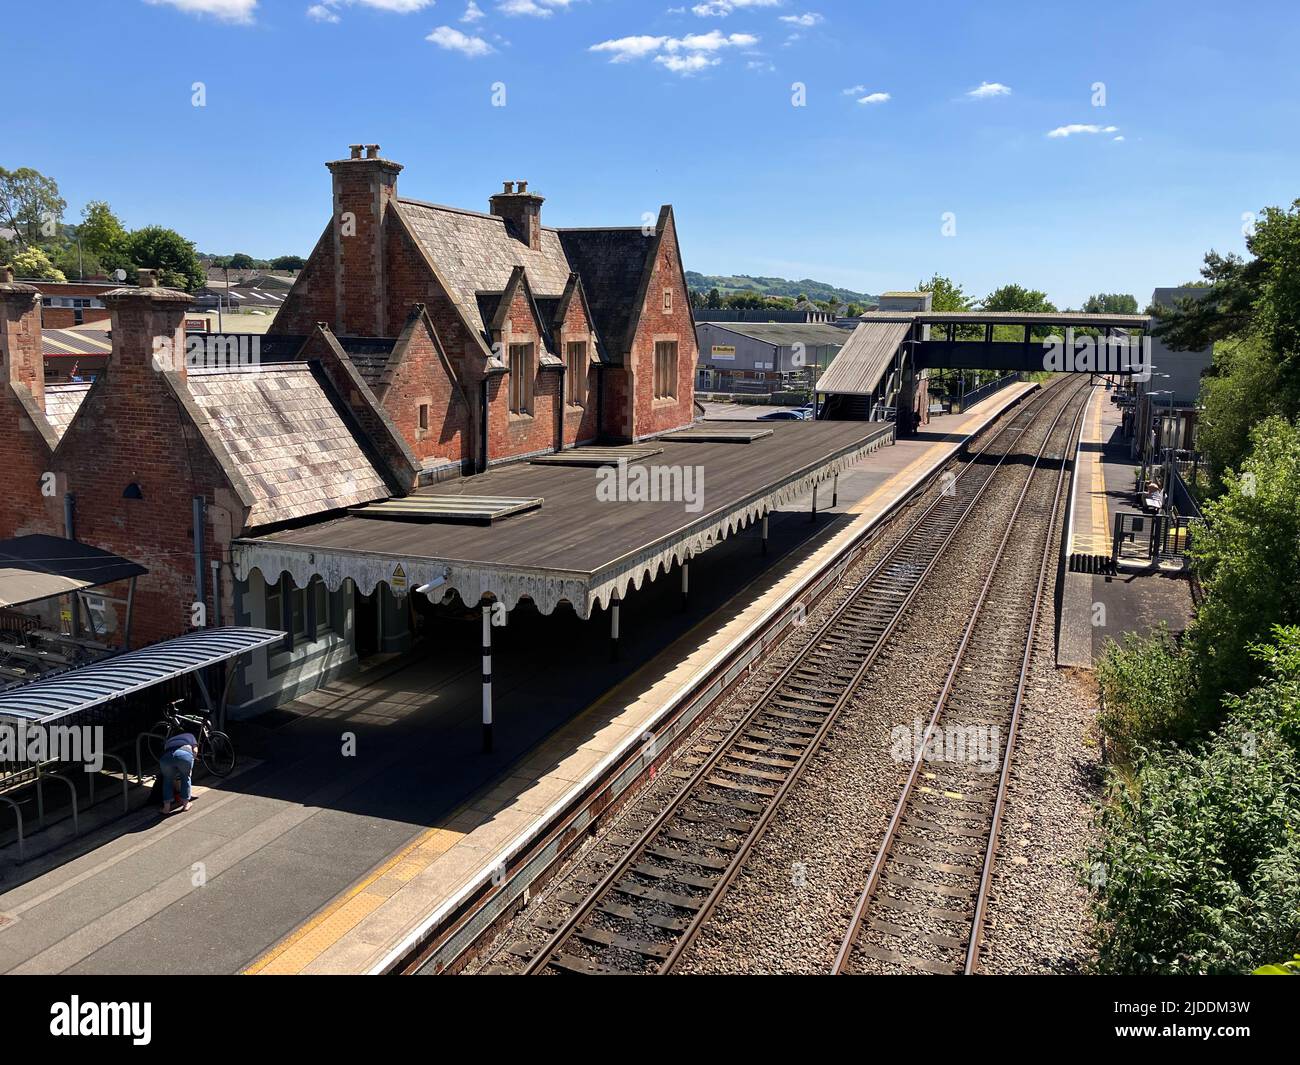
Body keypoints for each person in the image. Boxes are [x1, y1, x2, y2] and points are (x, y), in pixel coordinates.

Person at [159, 731, 199, 815]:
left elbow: (167, 751)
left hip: (166, 758)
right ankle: (186, 804)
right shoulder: (190, 735)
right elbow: (195, 750)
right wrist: (191, 763)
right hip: (184, 754)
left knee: (167, 780)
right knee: (185, 777)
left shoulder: (169, 740)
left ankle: (166, 808)